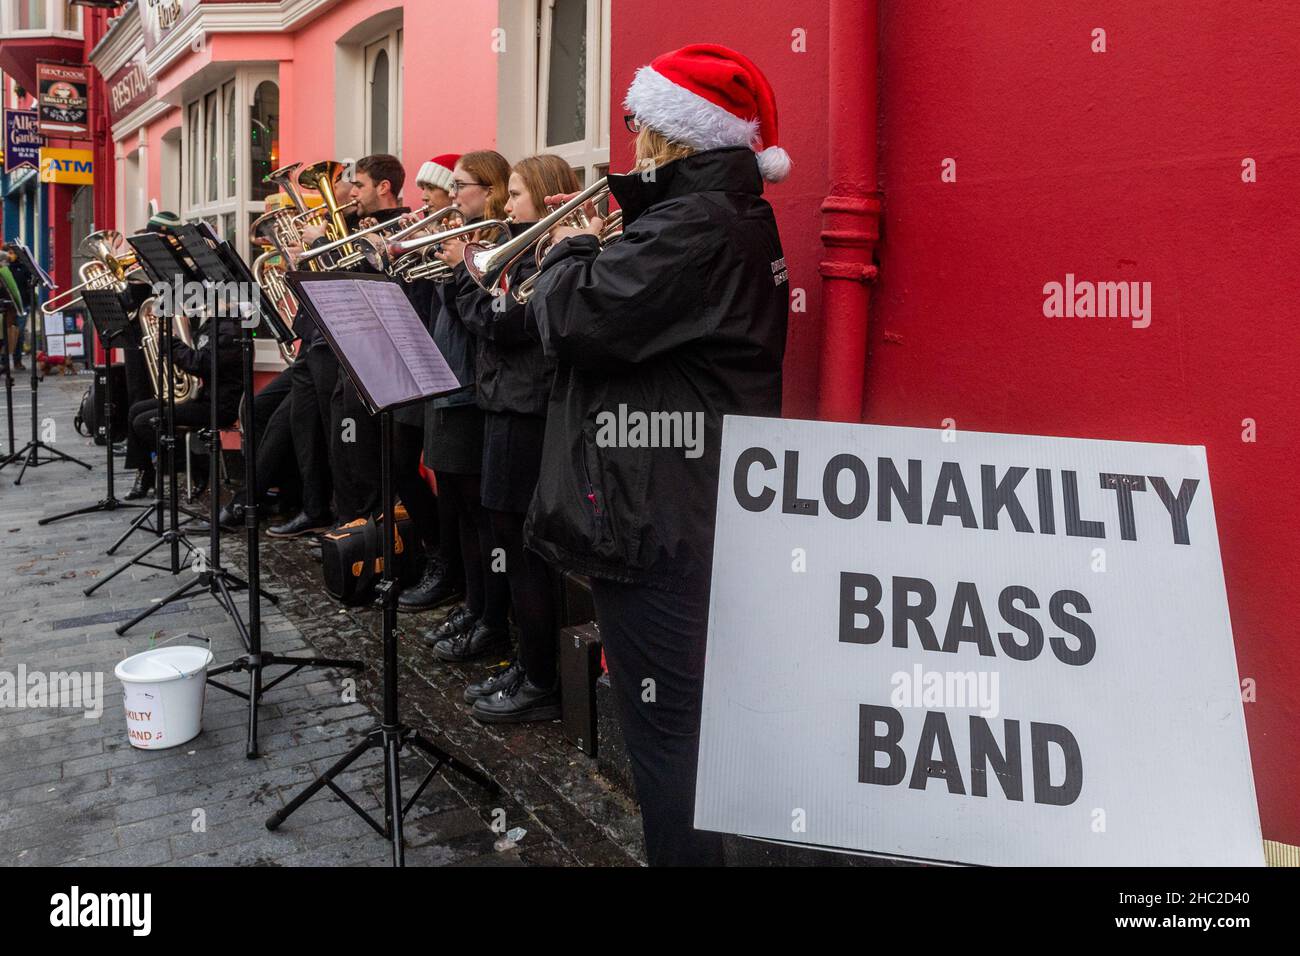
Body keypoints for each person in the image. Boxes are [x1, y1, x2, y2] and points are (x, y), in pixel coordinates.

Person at [523, 44, 792, 865]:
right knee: (683, 734)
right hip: (679, 502)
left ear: (675, 135)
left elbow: (578, 322)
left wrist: (567, 250)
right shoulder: (713, 216)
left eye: (639, 122)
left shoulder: (696, 224)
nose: (630, 135)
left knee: (668, 741)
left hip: (658, 516)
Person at [455, 154, 575, 721]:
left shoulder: (551, 257)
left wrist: (464, 279)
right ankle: (530, 664)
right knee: (509, 540)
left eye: (520, 194)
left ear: (548, 196)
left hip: (527, 413)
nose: (509, 205)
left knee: (523, 549)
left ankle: (542, 682)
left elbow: (508, 322)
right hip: (506, 406)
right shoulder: (523, 252)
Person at [418, 151, 513, 660]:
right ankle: (475, 606)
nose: (453, 196)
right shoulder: (466, 236)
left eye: (462, 186)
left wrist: (457, 267)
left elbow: (481, 316)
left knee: (480, 518)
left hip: (472, 390)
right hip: (446, 382)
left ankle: (491, 617)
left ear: (490, 188)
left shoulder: (497, 242)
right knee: (457, 510)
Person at [123, 313, 242, 498]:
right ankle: (146, 472)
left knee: (143, 423)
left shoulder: (230, 329)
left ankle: (196, 465)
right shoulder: (212, 324)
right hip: (201, 397)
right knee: (135, 410)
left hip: (219, 405)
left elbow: (200, 363)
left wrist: (171, 344)